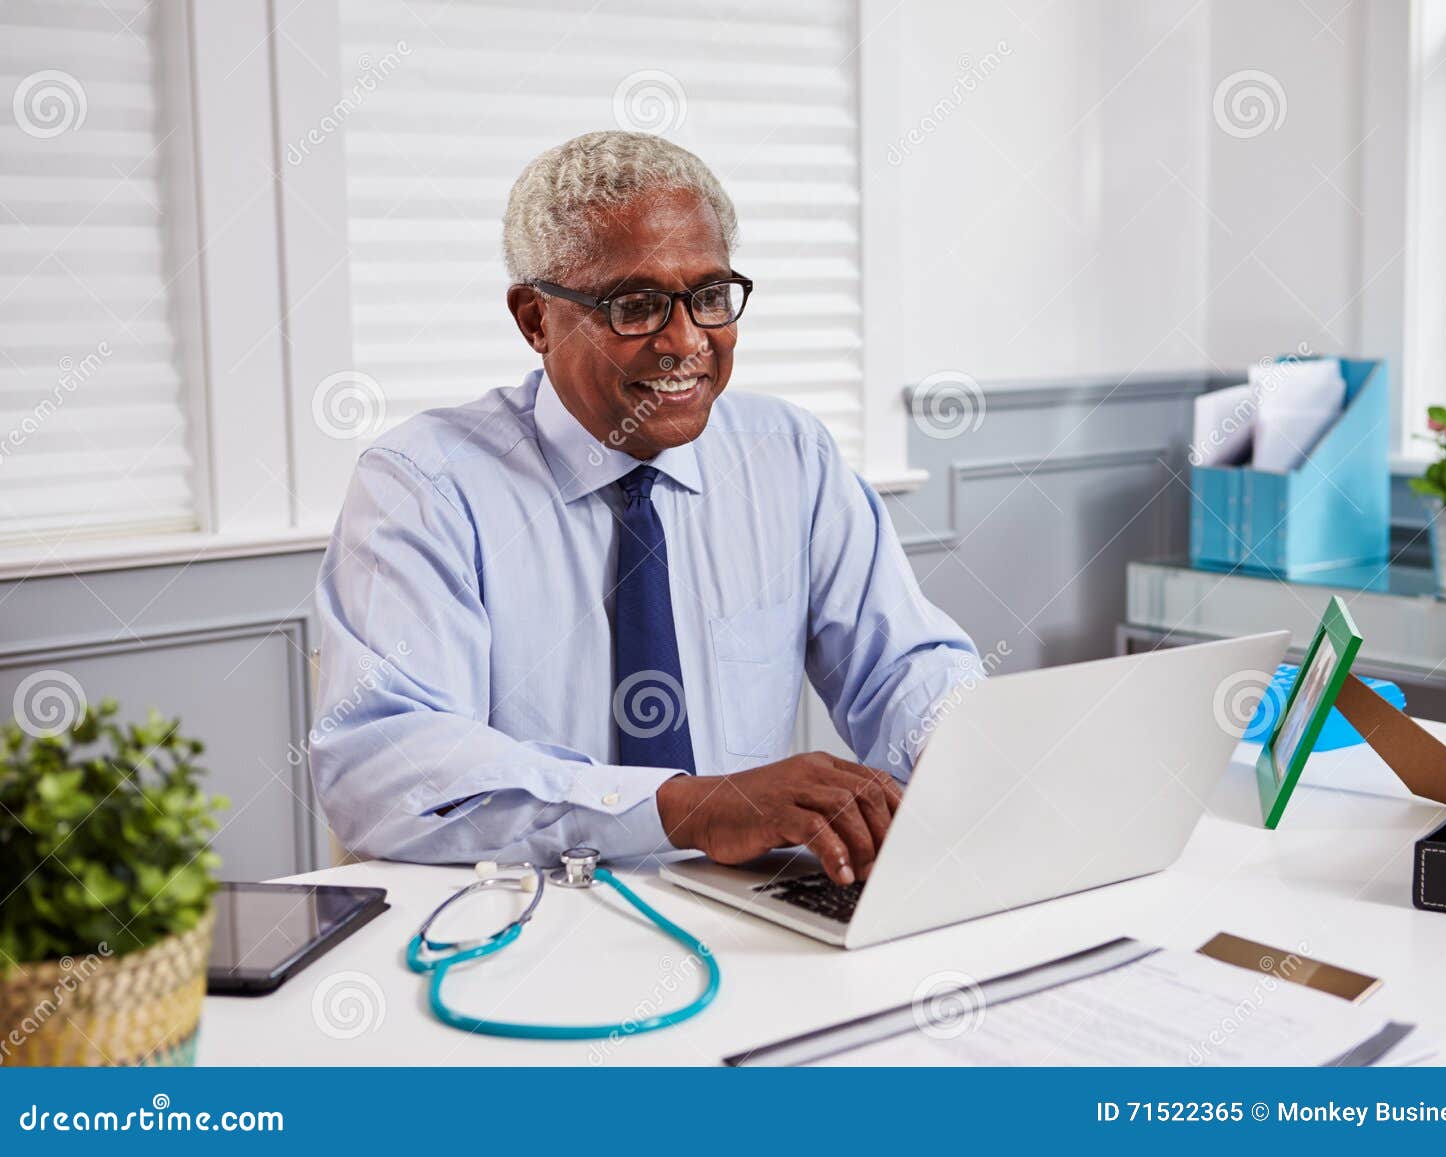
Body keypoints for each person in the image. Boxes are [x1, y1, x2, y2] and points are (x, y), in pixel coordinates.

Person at [311, 130, 981, 885]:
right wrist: (683, 806)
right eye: (636, 304)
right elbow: (385, 765)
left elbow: (904, 665)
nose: (687, 340)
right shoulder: (423, 486)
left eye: (710, 296)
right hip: (532, 924)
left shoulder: (789, 455)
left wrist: (962, 755)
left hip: (750, 918)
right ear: (534, 318)